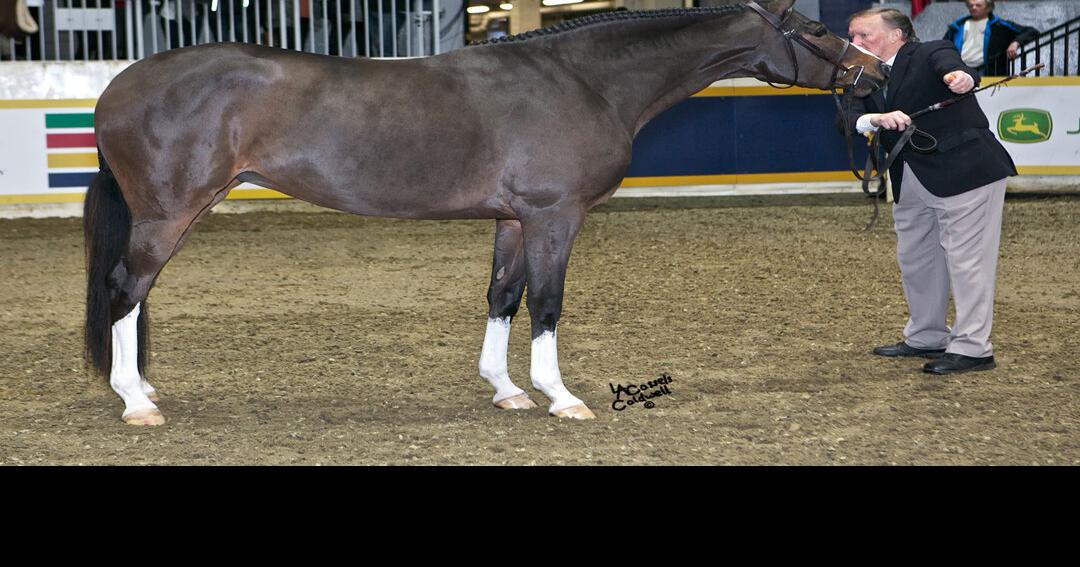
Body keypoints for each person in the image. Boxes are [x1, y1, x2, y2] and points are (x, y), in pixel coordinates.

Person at [842, 7, 1017, 374]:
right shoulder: (857, 72)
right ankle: (926, 335)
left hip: (966, 170)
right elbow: (846, 117)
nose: (854, 43)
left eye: (864, 36)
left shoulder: (929, 51)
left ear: (896, 35)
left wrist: (961, 79)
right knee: (916, 259)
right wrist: (873, 119)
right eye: (852, 36)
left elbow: (952, 66)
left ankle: (972, 347)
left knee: (967, 261)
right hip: (909, 177)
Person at [944, 0, 1038, 76]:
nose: (973, 7)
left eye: (978, 5)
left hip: (987, 71)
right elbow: (943, 45)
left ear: (988, 7)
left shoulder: (1000, 25)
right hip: (961, 70)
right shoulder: (958, 26)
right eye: (971, 5)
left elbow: (1031, 31)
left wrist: (1016, 42)